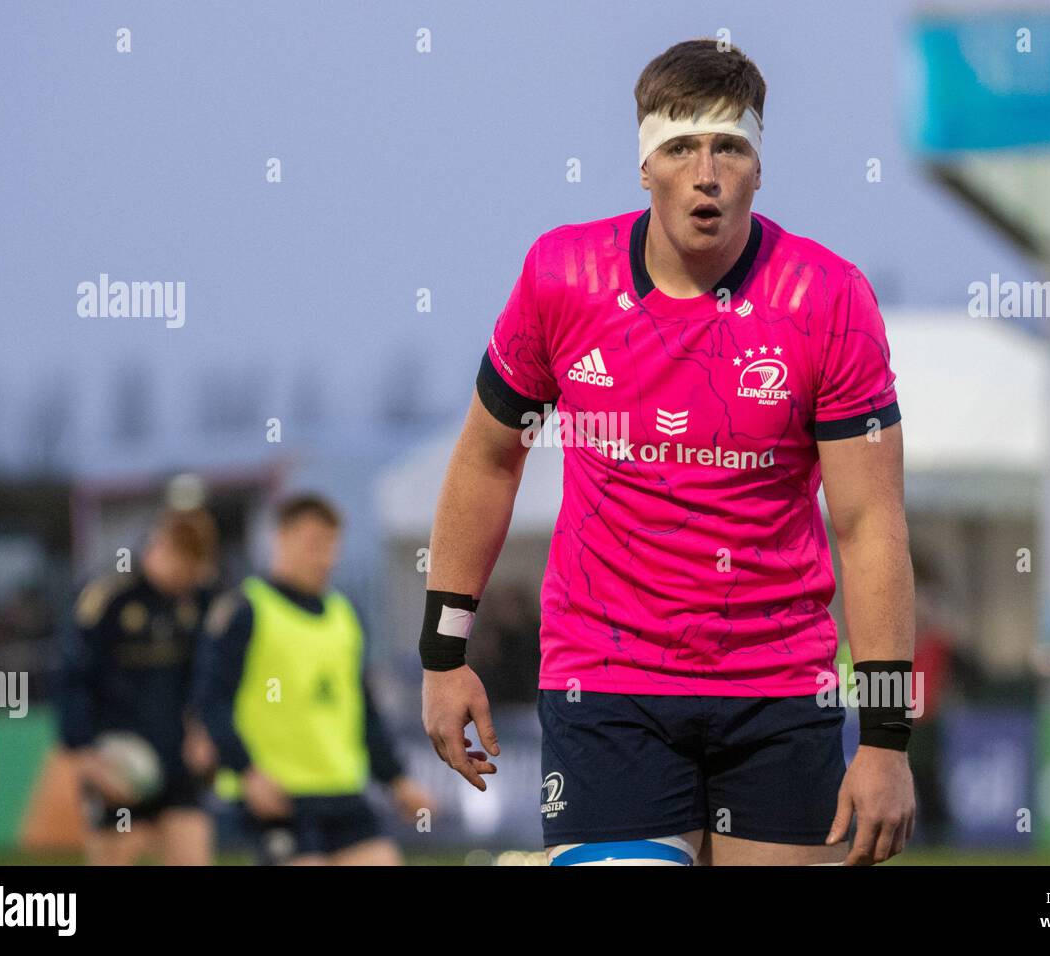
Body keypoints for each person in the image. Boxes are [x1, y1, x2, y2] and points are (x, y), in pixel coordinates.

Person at [421, 38, 916, 866]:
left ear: (759, 167)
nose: (707, 171)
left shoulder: (828, 298)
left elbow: (869, 522)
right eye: (681, 147)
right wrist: (443, 656)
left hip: (778, 688)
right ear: (644, 165)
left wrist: (889, 737)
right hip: (606, 681)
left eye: (730, 146)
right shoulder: (561, 277)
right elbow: (486, 460)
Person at [197, 493, 433, 865]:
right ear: (281, 539)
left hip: (342, 791)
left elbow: (362, 708)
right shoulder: (244, 610)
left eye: (330, 545)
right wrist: (247, 772)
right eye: (313, 545)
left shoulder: (346, 616)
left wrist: (396, 779)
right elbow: (211, 700)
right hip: (278, 796)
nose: (325, 557)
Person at [59, 507, 220, 865]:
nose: (189, 574)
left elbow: (206, 682)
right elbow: (73, 679)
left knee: (193, 854)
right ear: (159, 546)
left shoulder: (201, 602)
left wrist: (204, 731)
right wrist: (83, 752)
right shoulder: (109, 599)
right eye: (184, 561)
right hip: (119, 765)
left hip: (178, 765)